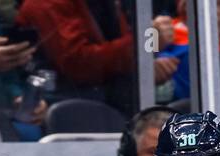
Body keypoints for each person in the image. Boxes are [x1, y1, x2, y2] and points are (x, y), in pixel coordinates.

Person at [17, 0, 168, 115]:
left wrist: (145, 69)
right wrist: (145, 44)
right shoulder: (46, 3)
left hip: (112, 105)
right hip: (69, 112)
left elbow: (118, 56)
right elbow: (79, 65)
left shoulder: (104, 3)